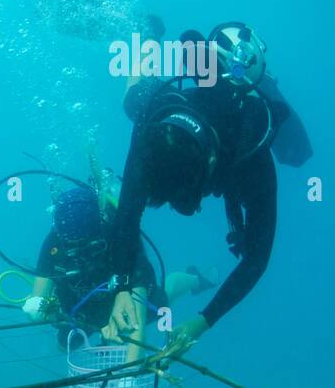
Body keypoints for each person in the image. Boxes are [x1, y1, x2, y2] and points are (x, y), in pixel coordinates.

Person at [105, 21, 310, 360]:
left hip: (227, 138)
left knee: (136, 97)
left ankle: (247, 71)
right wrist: (121, 287)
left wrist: (202, 321)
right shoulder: (149, 131)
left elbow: (257, 259)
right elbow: (126, 216)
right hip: (168, 110)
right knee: (134, 97)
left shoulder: (251, 157)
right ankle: (149, 38)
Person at [22, 183, 213, 360]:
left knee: (162, 302)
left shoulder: (122, 239)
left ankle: (196, 280)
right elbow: (39, 296)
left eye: (87, 247)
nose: (81, 254)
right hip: (82, 307)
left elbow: (137, 330)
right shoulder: (54, 243)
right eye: (72, 247)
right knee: (64, 346)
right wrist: (39, 309)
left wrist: (127, 384)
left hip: (125, 299)